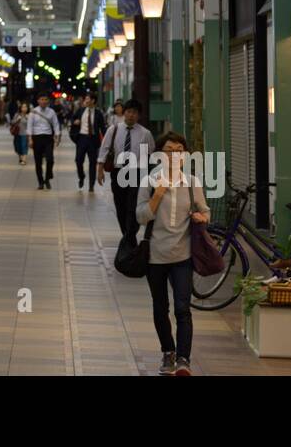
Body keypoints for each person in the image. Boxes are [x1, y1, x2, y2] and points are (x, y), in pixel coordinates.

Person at [137, 132, 209, 376]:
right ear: (159, 154)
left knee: (182, 308)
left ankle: (183, 360)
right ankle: (167, 352)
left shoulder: (191, 182)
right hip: (155, 256)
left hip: (183, 256)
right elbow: (140, 216)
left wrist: (202, 217)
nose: (174, 155)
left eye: (179, 150)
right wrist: (157, 195)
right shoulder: (149, 180)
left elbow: (205, 211)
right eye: (168, 150)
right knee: (160, 307)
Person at [98, 98, 155, 243]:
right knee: (120, 205)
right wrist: (100, 170)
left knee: (133, 206)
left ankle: (129, 236)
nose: (131, 115)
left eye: (135, 113)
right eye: (129, 112)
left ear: (139, 115)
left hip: (136, 173)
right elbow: (104, 149)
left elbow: (152, 154)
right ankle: (127, 235)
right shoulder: (114, 130)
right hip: (118, 172)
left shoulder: (145, 133)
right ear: (124, 113)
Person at [27, 93, 61, 189]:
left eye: (45, 99)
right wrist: (30, 139)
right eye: (41, 99)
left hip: (48, 138)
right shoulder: (33, 112)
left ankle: (47, 178)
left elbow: (56, 124)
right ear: (38, 101)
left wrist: (57, 136)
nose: (44, 101)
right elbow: (29, 126)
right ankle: (41, 182)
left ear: (48, 101)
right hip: (36, 138)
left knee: (50, 159)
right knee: (38, 162)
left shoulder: (51, 112)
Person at [72, 94, 106, 192]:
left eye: (88, 99)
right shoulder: (81, 111)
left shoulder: (98, 113)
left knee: (92, 162)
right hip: (82, 138)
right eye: (85, 98)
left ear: (93, 101)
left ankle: (91, 184)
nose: (86, 100)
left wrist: (106, 141)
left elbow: (102, 128)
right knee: (78, 160)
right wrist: (75, 121)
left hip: (93, 140)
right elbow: (73, 119)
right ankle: (81, 177)